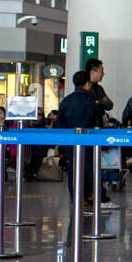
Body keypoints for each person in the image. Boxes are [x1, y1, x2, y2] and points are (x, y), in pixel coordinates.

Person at [54, 71, 100, 205]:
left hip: (70, 139)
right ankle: (91, 195)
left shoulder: (66, 100)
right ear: (87, 84)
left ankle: (75, 195)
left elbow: (59, 122)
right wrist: (82, 129)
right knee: (89, 166)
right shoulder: (90, 99)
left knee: (73, 166)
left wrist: (70, 133)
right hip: (86, 138)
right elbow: (90, 118)